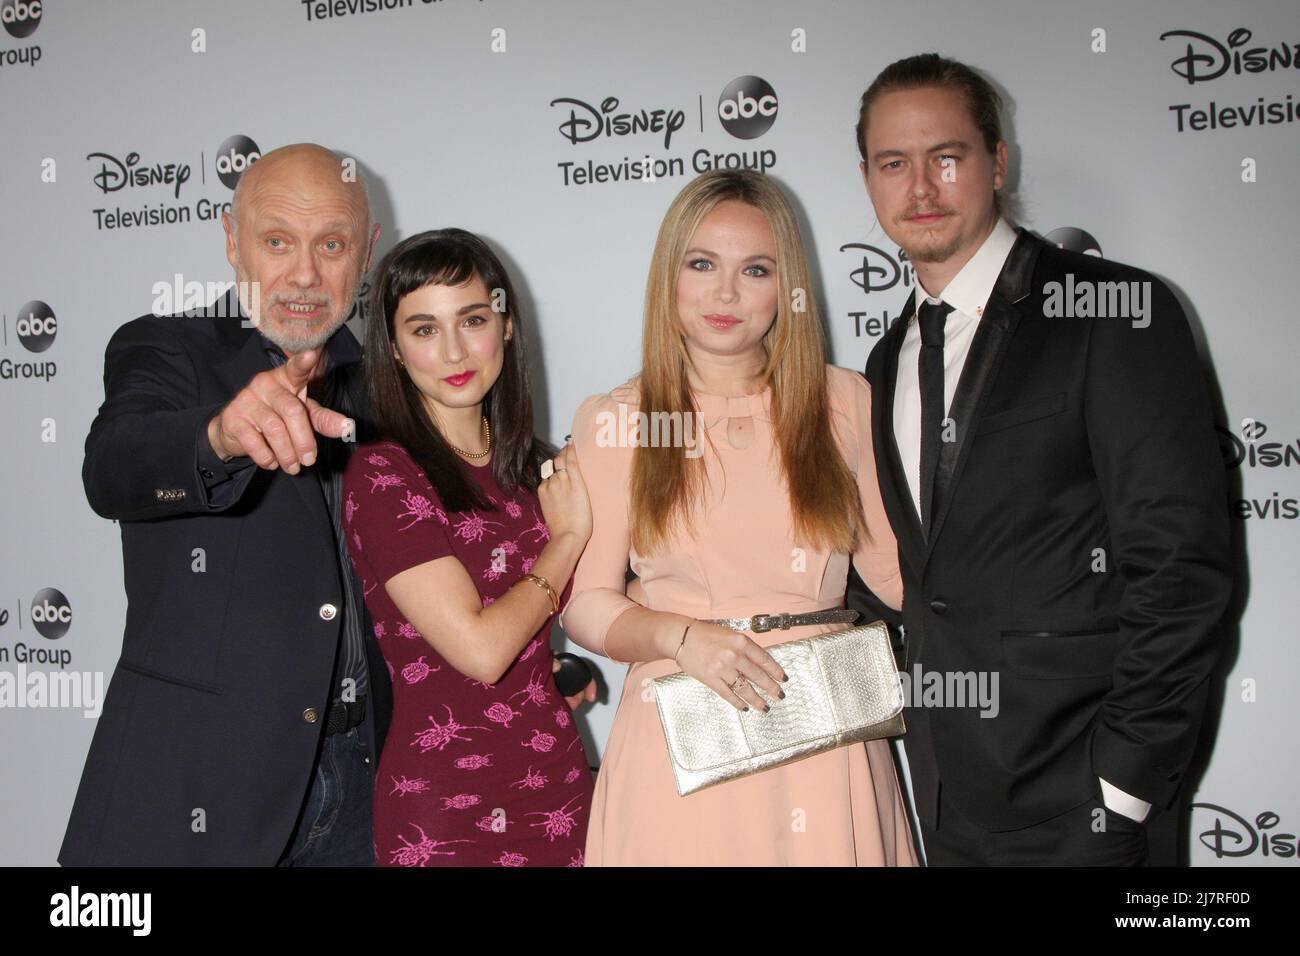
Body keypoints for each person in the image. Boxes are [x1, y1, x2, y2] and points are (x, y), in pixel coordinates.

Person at [61, 144, 593, 866]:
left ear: (366, 252)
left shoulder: (396, 390)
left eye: (332, 244)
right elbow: (114, 465)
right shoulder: (169, 349)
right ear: (230, 239)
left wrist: (541, 667)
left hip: (369, 787)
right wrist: (220, 433)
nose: (306, 273)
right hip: (201, 786)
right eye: (277, 240)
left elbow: (451, 566)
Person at [850, 54, 1232, 865]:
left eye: (946, 157)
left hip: (1087, 804)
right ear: (868, 179)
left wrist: (1126, 780)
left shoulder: (1110, 312)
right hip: (947, 800)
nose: (920, 187)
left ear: (998, 161)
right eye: (894, 163)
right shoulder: (884, 362)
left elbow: (1180, 565)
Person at [562, 169, 918, 866]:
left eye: (754, 270)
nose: (725, 293)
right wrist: (683, 637)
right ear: (669, 278)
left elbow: (903, 580)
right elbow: (587, 607)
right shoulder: (619, 421)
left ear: (788, 289)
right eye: (702, 264)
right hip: (680, 735)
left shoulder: (842, 402)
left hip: (826, 741)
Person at [342, 229, 594, 867]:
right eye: (424, 329)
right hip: (443, 808)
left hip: (558, 787)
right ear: (394, 350)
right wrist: (565, 542)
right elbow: (480, 652)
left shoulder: (541, 469)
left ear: (506, 326)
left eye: (473, 320)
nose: (454, 350)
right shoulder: (383, 474)